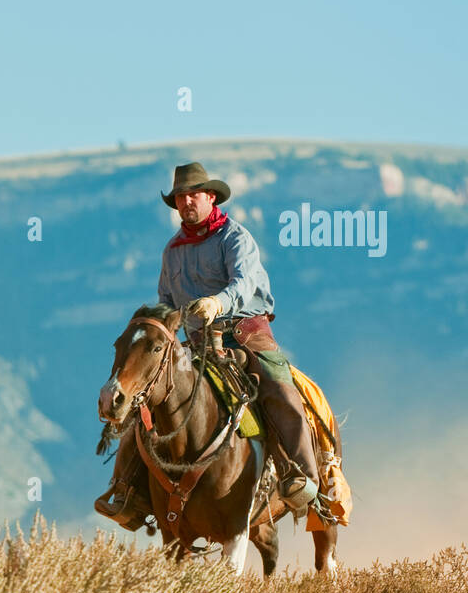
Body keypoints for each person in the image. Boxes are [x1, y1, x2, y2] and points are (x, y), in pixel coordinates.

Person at [95, 162, 323, 529]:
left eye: (193, 195)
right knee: (144, 398)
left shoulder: (235, 237)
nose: (186, 202)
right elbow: (167, 300)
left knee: (279, 386)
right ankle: (127, 491)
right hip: (196, 342)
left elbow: (246, 281)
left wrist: (219, 302)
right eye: (180, 197)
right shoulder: (172, 251)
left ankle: (301, 476)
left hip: (246, 331)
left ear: (210, 197)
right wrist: (162, 325)